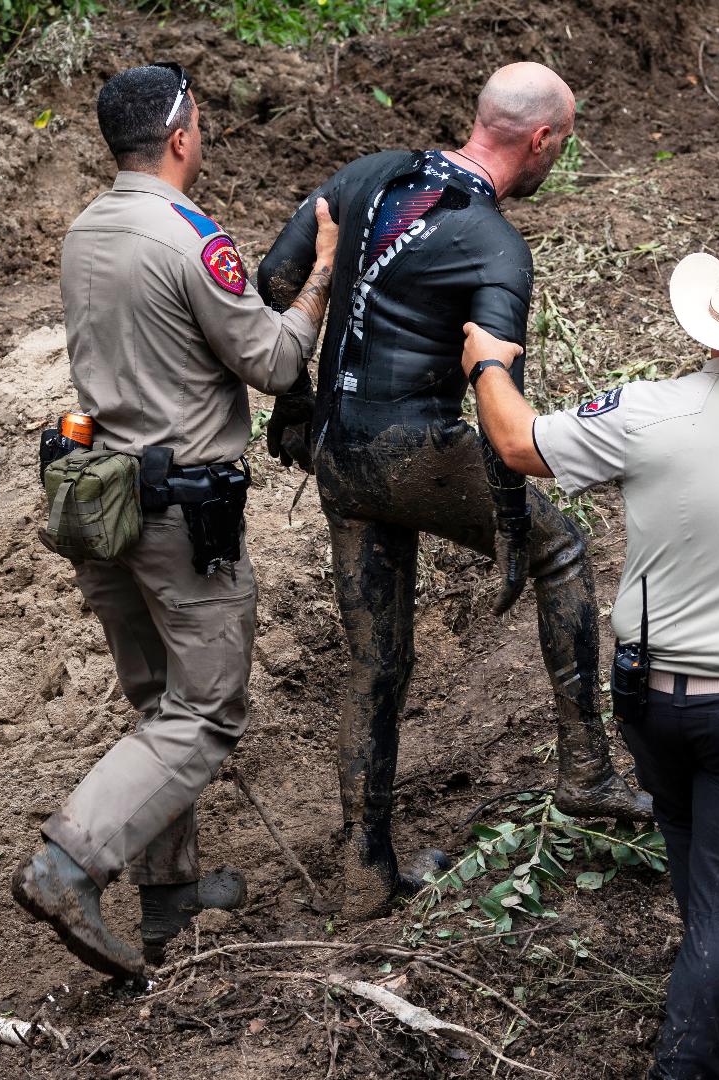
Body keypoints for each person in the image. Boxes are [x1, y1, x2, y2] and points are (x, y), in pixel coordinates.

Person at [254, 61, 652, 921]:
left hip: (339, 450)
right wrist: (509, 520)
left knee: (376, 658)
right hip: (412, 450)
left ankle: (365, 870)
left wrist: (294, 404)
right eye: (563, 144)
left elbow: (274, 280)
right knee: (563, 546)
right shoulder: (497, 245)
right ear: (540, 141)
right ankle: (586, 769)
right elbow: (497, 398)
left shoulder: (368, 175)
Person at [459, 244, 719, 1078]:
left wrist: (489, 363)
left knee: (693, 847)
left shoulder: (643, 413)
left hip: (655, 700)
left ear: (707, 329)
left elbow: (518, 441)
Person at [12, 62, 338, 979]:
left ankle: (169, 898)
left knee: (159, 704)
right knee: (203, 715)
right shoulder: (190, 239)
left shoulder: (84, 231)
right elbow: (272, 363)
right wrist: (319, 276)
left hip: (99, 502)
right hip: (180, 514)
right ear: (183, 135)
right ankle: (65, 866)